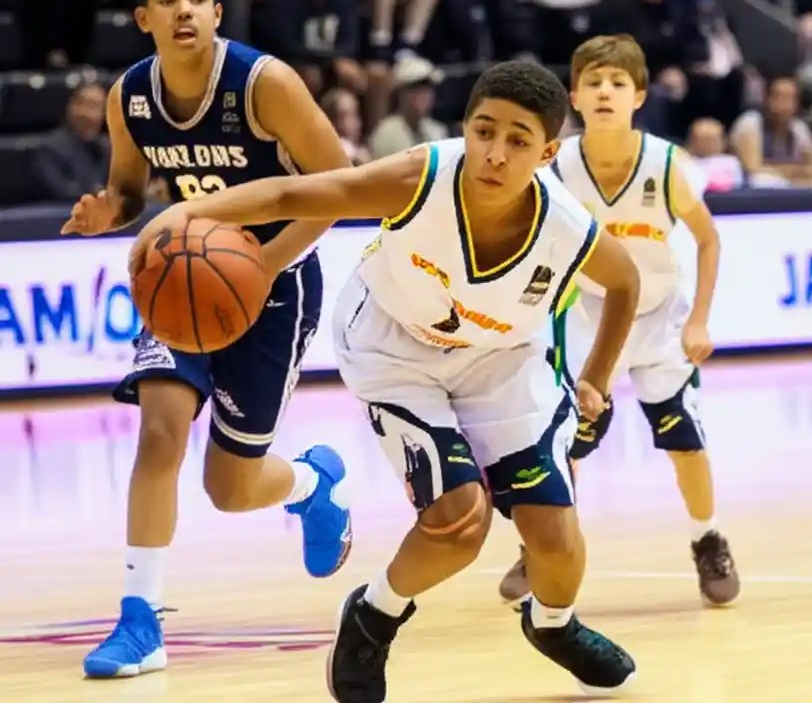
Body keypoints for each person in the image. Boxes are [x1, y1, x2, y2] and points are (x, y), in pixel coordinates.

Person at [132, 59, 642, 700]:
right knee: (460, 521)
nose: (495, 152)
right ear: (465, 127)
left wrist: (595, 378)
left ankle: (554, 626)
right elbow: (296, 196)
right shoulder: (418, 177)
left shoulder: (565, 225)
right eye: (485, 131)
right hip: (396, 351)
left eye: (518, 141)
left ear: (546, 153)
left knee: (555, 538)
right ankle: (373, 617)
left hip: (503, 362)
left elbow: (626, 284)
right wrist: (182, 217)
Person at [60, 0, 355, 678]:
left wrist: (261, 266)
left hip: (277, 285)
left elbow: (343, 183)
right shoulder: (129, 96)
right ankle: (141, 618)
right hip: (184, 282)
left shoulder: (264, 84)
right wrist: (111, 213)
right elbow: (131, 192)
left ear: (218, 13)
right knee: (160, 430)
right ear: (144, 18)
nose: (185, 8)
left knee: (231, 488)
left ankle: (312, 484)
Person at [496, 34, 741, 609]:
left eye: (618, 83)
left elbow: (708, 240)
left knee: (685, 444)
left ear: (639, 96)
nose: (606, 92)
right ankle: (546, 547)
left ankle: (708, 538)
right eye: (594, 83)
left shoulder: (667, 164)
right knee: (566, 443)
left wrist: (699, 320)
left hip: (657, 316)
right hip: (587, 315)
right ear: (575, 96)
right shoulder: (557, 166)